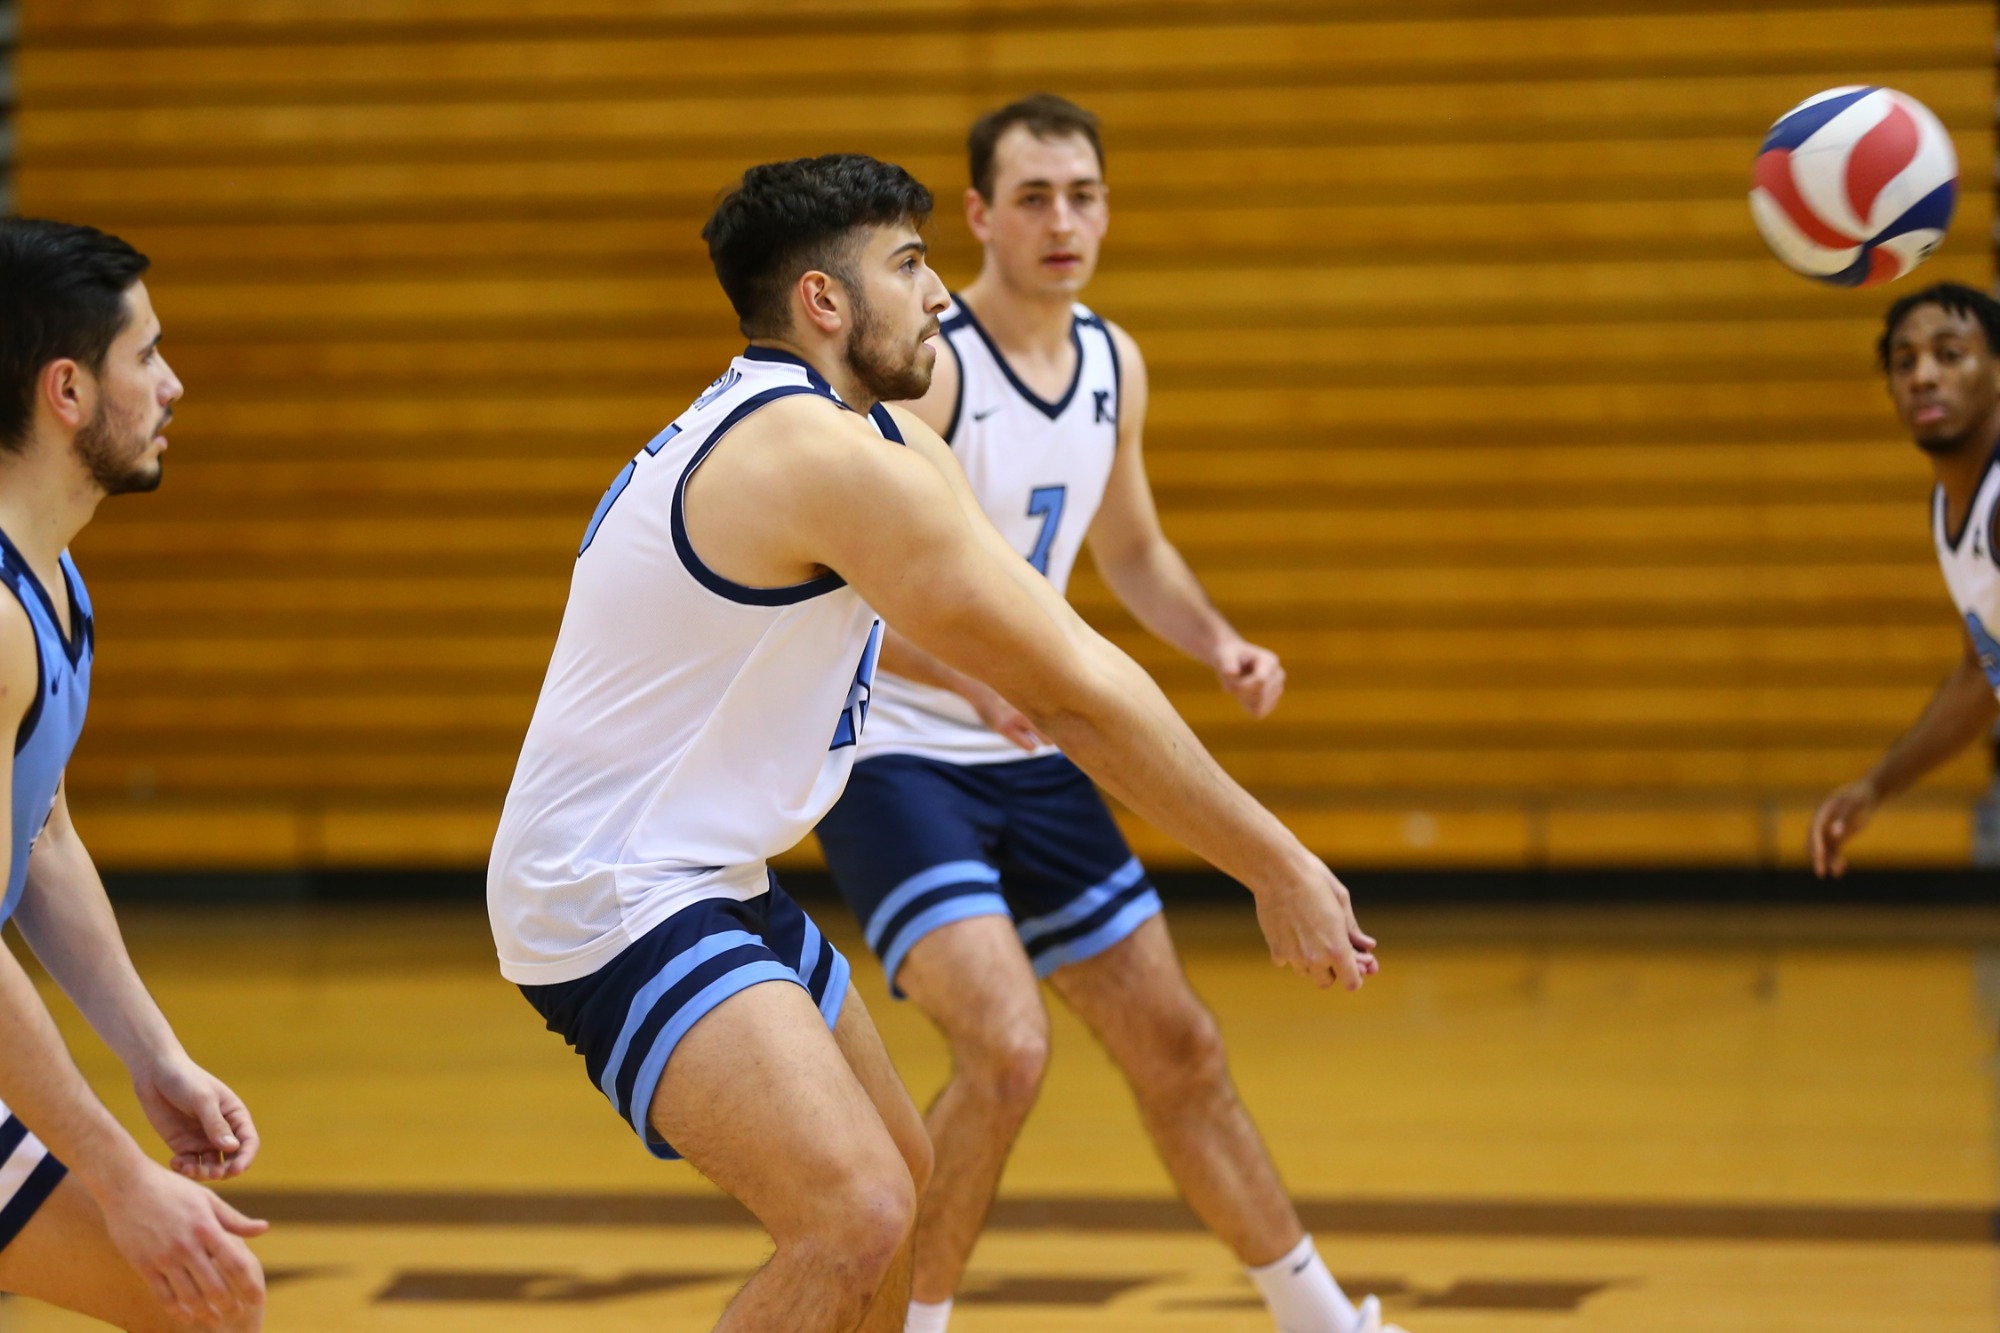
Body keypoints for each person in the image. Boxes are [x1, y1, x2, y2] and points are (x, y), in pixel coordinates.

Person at [488, 151, 1377, 1333]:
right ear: (823, 301)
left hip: (706, 868)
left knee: (901, 1208)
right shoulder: (808, 454)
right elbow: (1075, 697)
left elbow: (1059, 651)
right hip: (607, 884)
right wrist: (1275, 863)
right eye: (908, 266)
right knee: (852, 1213)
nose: (939, 295)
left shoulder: (869, 437)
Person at [812, 96, 1403, 1333]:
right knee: (1007, 1049)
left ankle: (1321, 1320)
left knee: (1178, 1048)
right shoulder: (936, 362)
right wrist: (970, 675)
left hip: (1036, 747)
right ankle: (909, 1324)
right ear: (977, 215)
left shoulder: (1111, 361)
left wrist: (1216, 639)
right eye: (1032, 197)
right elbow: (854, 587)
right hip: (905, 758)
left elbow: (1130, 546)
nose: (1063, 219)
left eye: (1082, 194)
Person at [0, 218, 268, 1329]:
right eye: (145, 355)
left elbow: (42, 833)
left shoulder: (50, 581)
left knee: (208, 1298)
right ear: (68, 390)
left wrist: (153, 1056)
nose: (173, 383)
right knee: (203, 1293)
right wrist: (115, 1175)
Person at [1811, 282, 2000, 875]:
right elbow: (1980, 674)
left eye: (1949, 354)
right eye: (1904, 361)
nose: (1922, 375)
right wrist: (1876, 784)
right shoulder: (1951, 508)